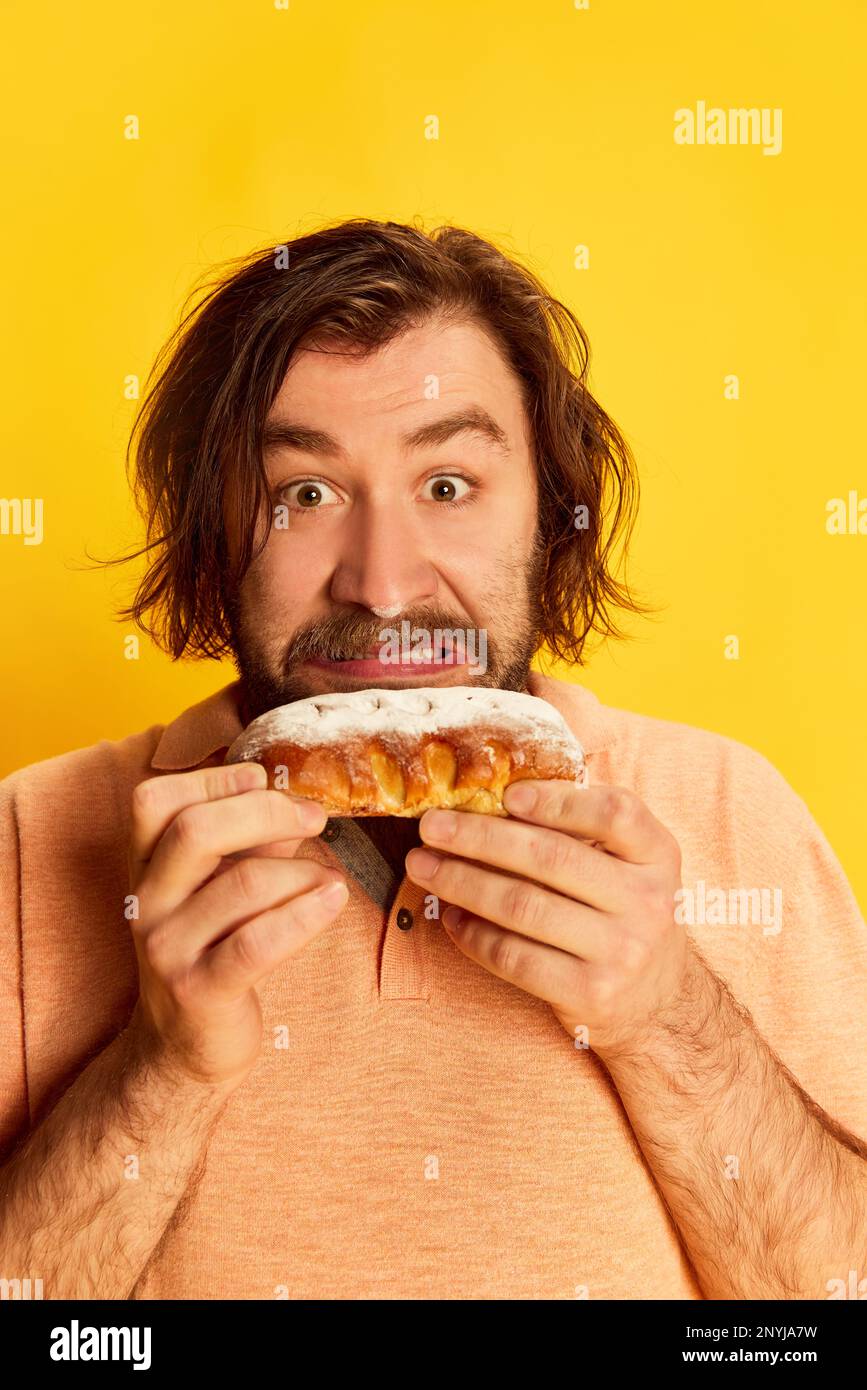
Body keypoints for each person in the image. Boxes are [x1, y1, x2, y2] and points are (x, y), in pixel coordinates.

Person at [1, 218, 865, 1301]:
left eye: (447, 484)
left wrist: (671, 1016)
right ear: (213, 536)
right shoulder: (32, 840)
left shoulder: (734, 810)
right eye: (302, 494)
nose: (385, 585)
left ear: (552, 515)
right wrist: (157, 1070)